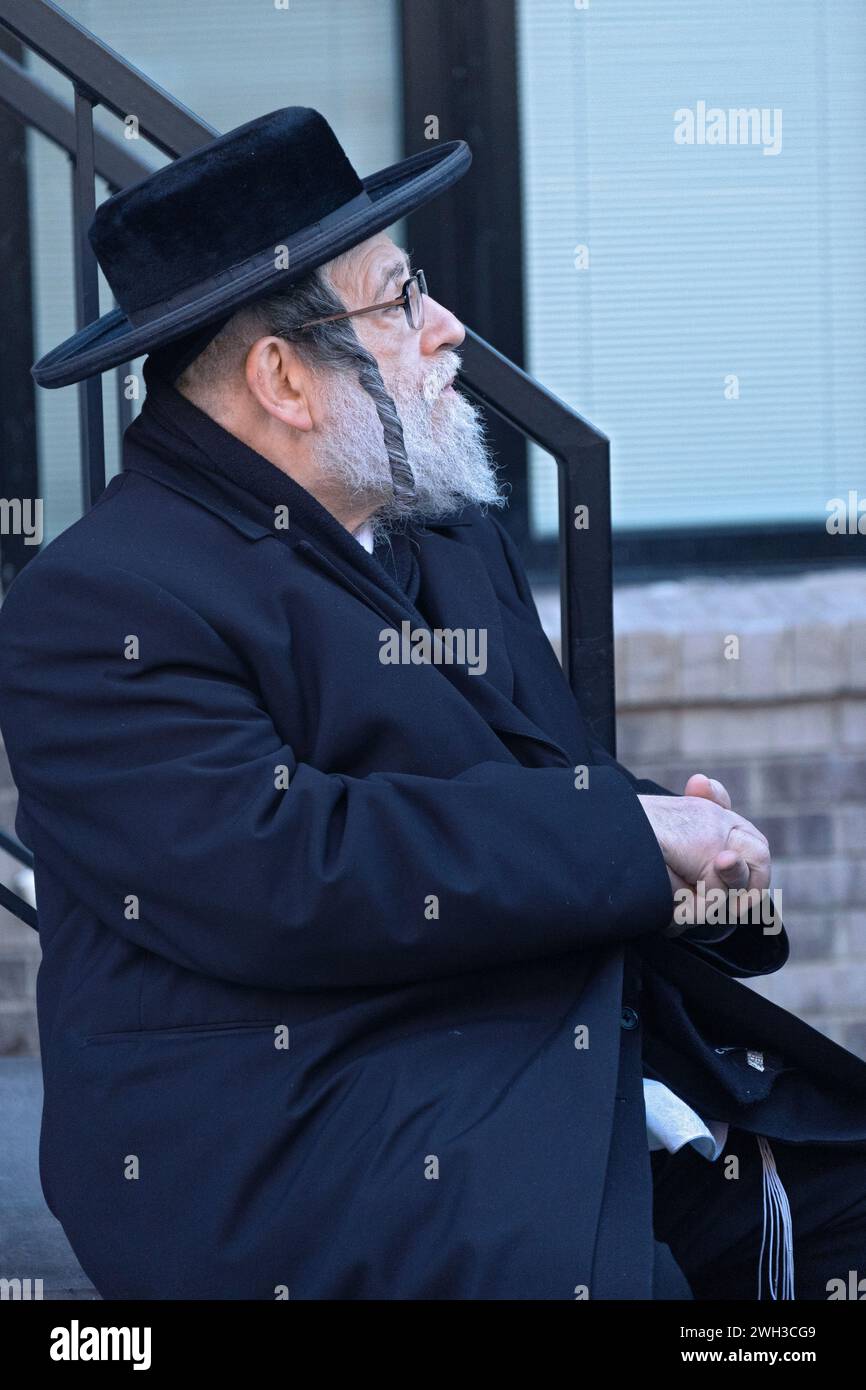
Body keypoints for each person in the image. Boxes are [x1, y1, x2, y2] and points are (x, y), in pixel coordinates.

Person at [0, 107, 864, 1300]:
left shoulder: (441, 530)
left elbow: (525, 789)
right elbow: (289, 869)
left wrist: (680, 857)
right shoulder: (97, 603)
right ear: (283, 377)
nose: (446, 326)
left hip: (542, 1063)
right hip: (302, 1133)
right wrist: (623, 836)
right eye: (400, 299)